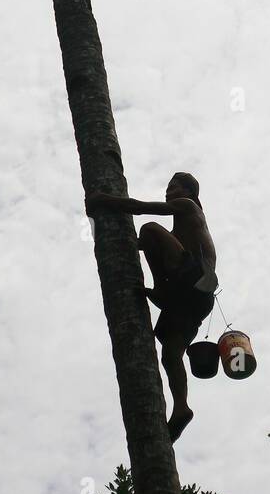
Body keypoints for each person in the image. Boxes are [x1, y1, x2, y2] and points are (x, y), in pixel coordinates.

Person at [86, 173, 218, 442]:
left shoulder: (188, 207)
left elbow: (140, 208)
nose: (170, 191)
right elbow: (140, 246)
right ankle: (181, 407)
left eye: (176, 186)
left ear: (191, 193)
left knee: (149, 229)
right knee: (170, 355)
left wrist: (103, 200)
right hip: (190, 299)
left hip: (194, 280)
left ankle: (159, 289)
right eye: (168, 187)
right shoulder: (177, 235)